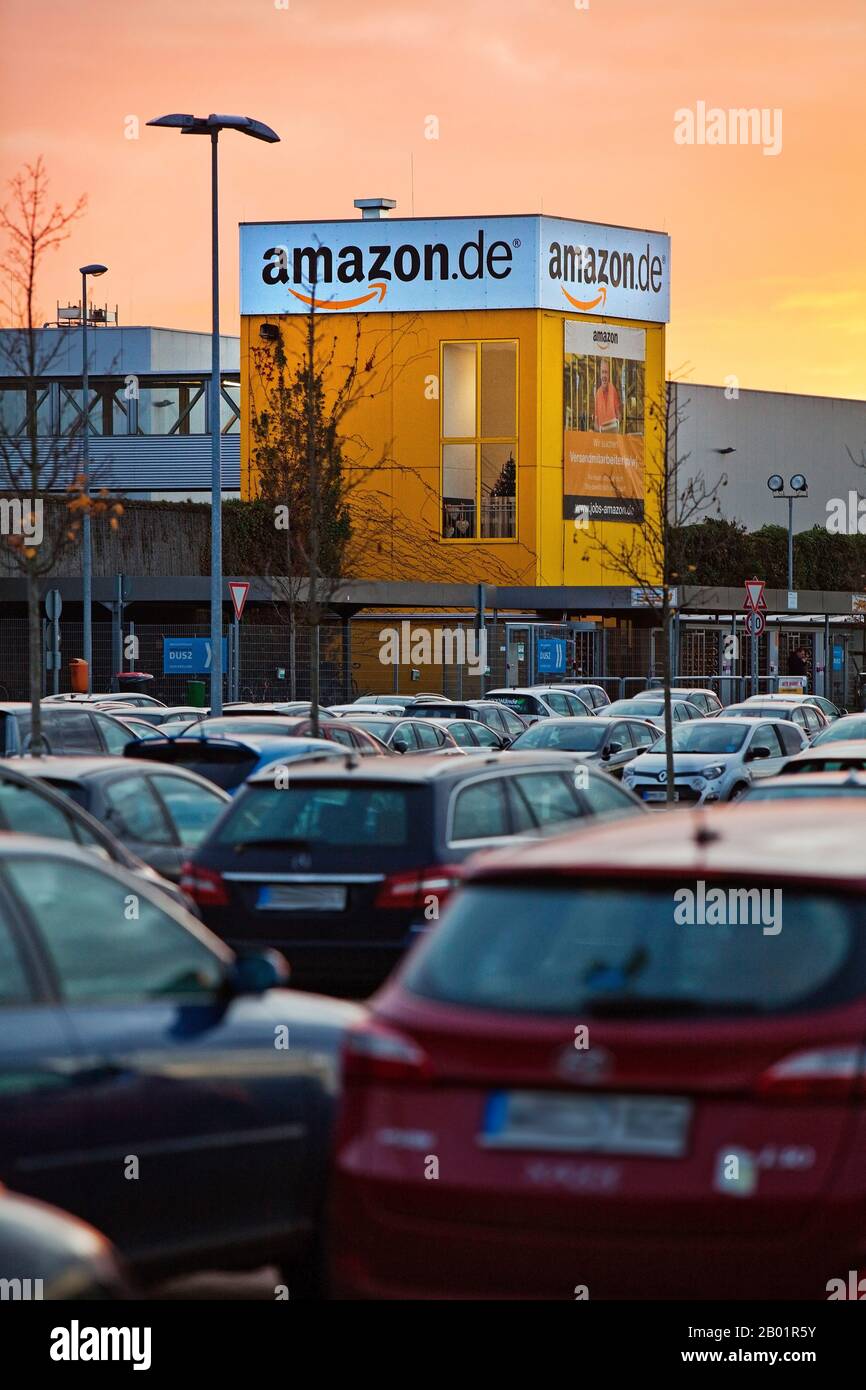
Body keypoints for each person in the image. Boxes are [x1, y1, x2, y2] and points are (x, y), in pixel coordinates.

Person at [593, 358, 622, 432]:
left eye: (606, 372)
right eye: (603, 372)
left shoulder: (613, 390)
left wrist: (616, 425)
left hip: (613, 436)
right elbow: (595, 423)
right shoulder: (597, 393)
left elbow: (619, 415)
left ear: (609, 374)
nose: (604, 376)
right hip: (601, 438)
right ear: (600, 374)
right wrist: (600, 430)